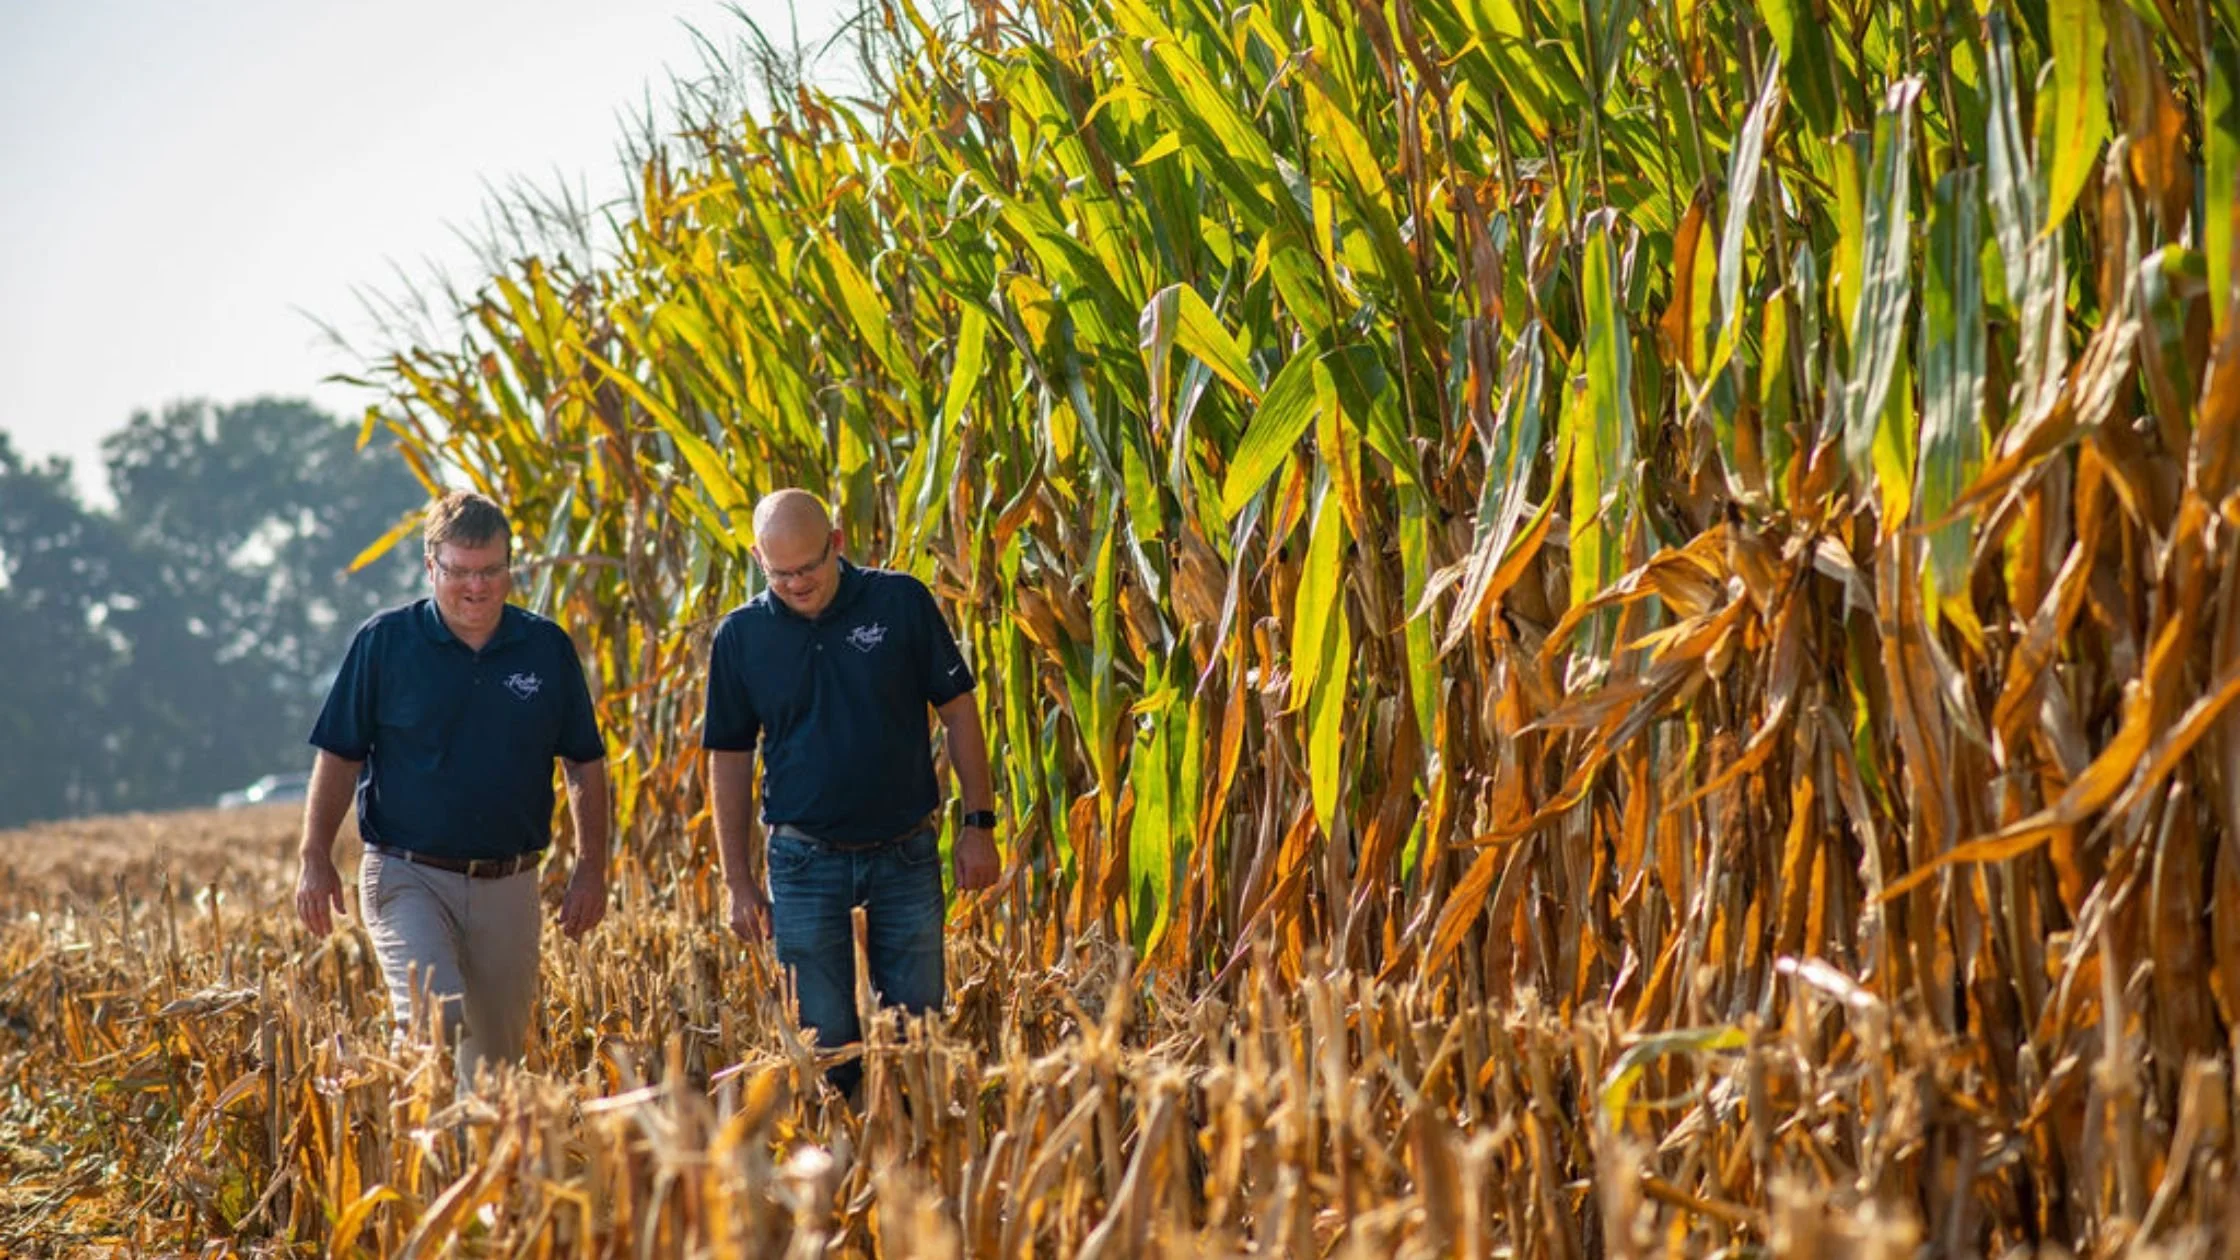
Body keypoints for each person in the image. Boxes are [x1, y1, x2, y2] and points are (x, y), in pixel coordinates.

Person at [294, 490, 610, 1085]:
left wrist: (592, 867)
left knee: (494, 1076)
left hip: (510, 881)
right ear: (430, 567)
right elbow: (339, 753)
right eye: (459, 572)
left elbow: (584, 763)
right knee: (432, 1028)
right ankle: (407, 1165)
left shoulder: (545, 649)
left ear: (511, 568)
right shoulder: (385, 643)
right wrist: (315, 855)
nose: (476, 587)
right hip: (406, 873)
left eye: (491, 571)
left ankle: (472, 1175)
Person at [703, 489, 998, 1096]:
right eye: (780, 573)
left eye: (809, 566)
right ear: (758, 558)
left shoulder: (899, 603)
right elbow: (729, 758)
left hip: (906, 853)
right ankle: (844, 1174)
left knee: (919, 1039)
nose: (797, 583)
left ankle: (922, 1164)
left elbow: (959, 711)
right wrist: (736, 880)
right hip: (803, 861)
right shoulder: (741, 637)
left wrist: (979, 823)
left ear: (837, 542)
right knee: (825, 1045)